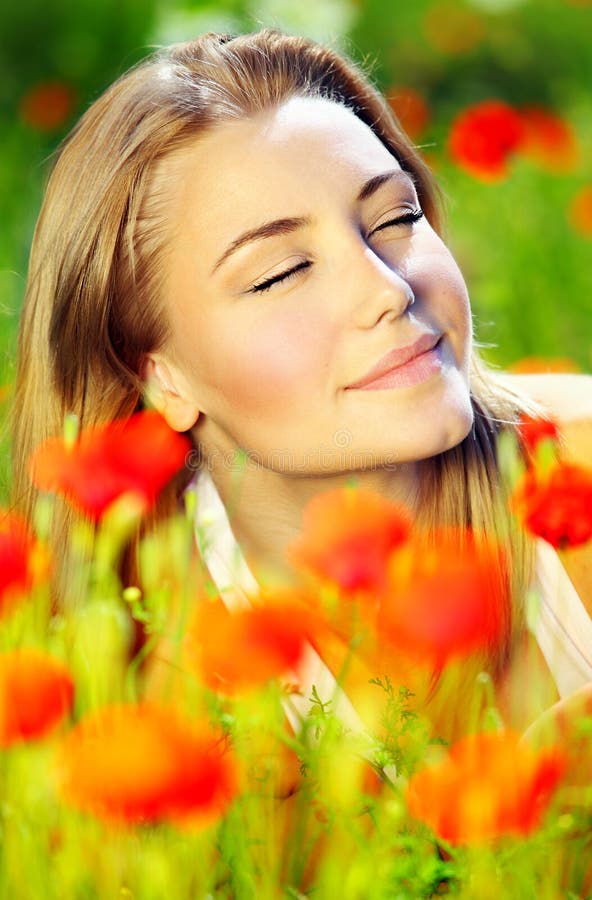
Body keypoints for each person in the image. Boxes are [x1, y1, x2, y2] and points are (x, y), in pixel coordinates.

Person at [11, 30, 592, 748]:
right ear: (156, 375)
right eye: (281, 272)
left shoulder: (579, 472)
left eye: (395, 218)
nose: (387, 290)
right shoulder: (139, 688)